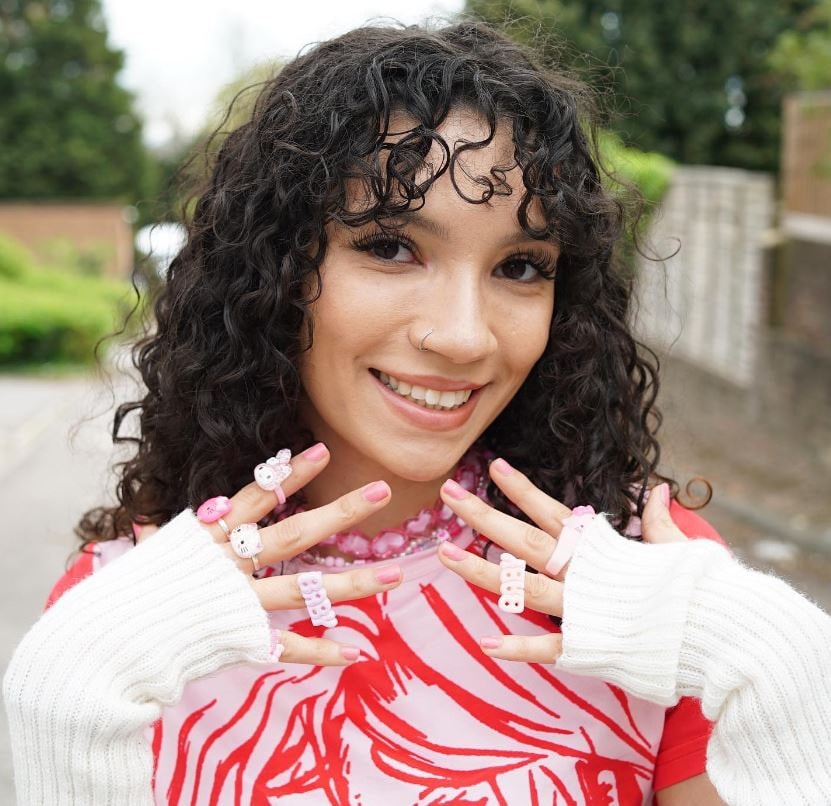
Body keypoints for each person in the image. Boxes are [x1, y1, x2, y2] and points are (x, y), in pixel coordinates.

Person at [4, 21, 830, 806]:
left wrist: (781, 661)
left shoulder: (649, 577)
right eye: (391, 247)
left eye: (520, 266)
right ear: (276, 271)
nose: (464, 336)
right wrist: (64, 707)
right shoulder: (129, 604)